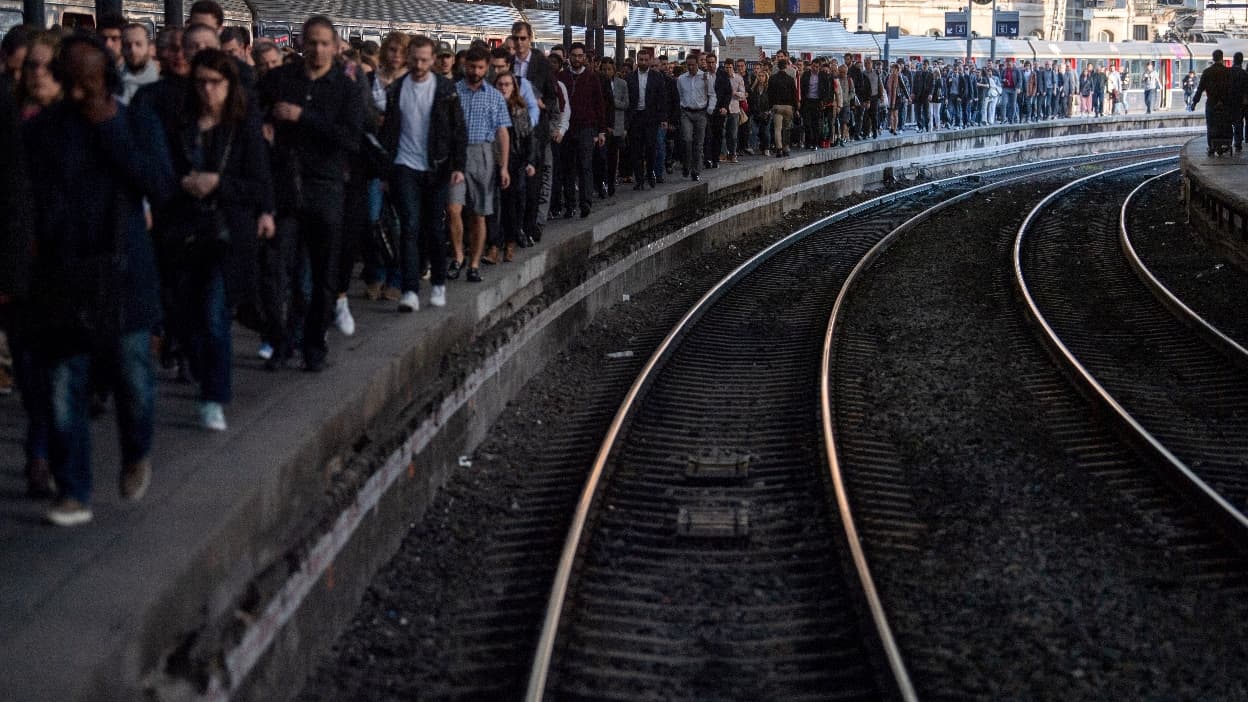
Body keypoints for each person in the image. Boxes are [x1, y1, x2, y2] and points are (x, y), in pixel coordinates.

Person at [24, 33, 175, 525]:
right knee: (65, 383)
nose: (80, 91)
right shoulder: (45, 129)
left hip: (125, 272)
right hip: (65, 274)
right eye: (73, 80)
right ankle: (74, 490)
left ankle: (136, 451)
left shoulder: (134, 122)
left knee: (133, 379)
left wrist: (109, 128)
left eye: (89, 80)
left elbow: (157, 183)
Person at [161, 49, 273, 431]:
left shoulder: (242, 128)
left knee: (214, 316)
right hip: (183, 232)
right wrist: (180, 184)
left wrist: (219, 183)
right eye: (202, 82)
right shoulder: (180, 126)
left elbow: (258, 183)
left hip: (225, 234)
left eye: (216, 83)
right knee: (186, 317)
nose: (208, 90)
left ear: (229, 86)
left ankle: (214, 397)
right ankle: (201, 371)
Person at [258, 15, 364, 372]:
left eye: (324, 43)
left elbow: (350, 138)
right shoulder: (282, 79)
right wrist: (266, 125)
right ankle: (280, 339)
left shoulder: (346, 89)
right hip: (286, 185)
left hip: (325, 187)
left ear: (335, 48)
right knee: (278, 269)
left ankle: (313, 343)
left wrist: (303, 117)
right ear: (301, 44)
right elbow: (255, 110)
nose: (317, 49)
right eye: (311, 42)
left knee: (321, 273)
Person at [380, 35, 465, 312]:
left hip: (436, 167)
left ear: (432, 60)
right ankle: (410, 290)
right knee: (409, 227)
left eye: (424, 60)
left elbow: (457, 131)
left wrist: (457, 167)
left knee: (433, 228)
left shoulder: (445, 89)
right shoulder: (397, 89)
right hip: (404, 166)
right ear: (408, 58)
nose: (419, 65)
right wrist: (385, 171)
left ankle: (438, 284)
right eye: (414, 59)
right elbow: (388, 132)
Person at [447, 46, 510, 283]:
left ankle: (474, 263)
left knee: (479, 213)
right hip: (457, 154)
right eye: (471, 66)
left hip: (483, 153)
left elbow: (502, 132)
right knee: (453, 208)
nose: (475, 71)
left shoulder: (494, 96)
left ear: (487, 68)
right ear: (465, 66)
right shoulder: (454, 92)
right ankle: (458, 256)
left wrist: (503, 166)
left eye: (480, 67)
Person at [555, 43, 605, 219]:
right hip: (567, 128)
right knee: (568, 168)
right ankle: (569, 205)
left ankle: (585, 202)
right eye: (574, 56)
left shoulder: (592, 77)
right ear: (569, 56)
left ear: (584, 57)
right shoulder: (562, 77)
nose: (577, 59)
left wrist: (601, 131)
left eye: (580, 56)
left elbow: (599, 105)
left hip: (586, 128)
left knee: (585, 166)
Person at [494, 70, 537, 262]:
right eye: (500, 85)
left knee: (512, 202)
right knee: (495, 204)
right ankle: (495, 242)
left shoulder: (520, 109)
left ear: (514, 87)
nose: (503, 88)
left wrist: (529, 161)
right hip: (494, 159)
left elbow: (528, 138)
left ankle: (510, 240)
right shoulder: (491, 106)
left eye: (507, 84)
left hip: (515, 160)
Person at [626, 48, 667, 189]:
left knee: (651, 148)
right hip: (636, 117)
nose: (643, 62)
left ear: (650, 60)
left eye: (645, 60)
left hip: (651, 117)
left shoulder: (657, 77)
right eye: (640, 60)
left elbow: (662, 98)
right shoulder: (630, 77)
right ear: (637, 60)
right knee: (636, 149)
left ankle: (650, 173)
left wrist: (663, 118)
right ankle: (639, 179)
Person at [676, 52, 712, 179]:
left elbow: (711, 93)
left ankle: (696, 171)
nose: (690, 67)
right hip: (686, 111)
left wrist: (709, 108)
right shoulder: (681, 79)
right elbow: (680, 94)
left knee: (698, 143)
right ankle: (686, 164)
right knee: (686, 140)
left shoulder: (705, 77)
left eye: (693, 65)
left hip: (701, 112)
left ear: (697, 64)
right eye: (688, 65)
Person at [119, 23, 158, 104]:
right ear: (122, 49)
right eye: (127, 45)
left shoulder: (162, 86)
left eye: (138, 44)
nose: (133, 50)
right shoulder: (112, 85)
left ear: (149, 48)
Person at [766, 57, 797, 156]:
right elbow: (794, 94)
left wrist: (770, 106)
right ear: (786, 67)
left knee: (777, 129)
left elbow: (769, 93)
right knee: (786, 128)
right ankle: (786, 148)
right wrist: (795, 107)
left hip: (777, 106)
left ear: (777, 67)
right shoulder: (790, 79)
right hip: (788, 107)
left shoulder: (772, 78)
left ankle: (779, 148)